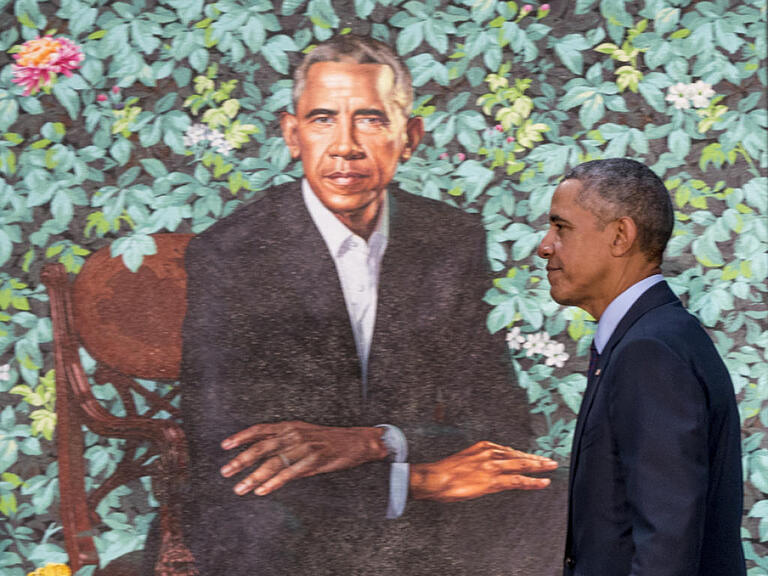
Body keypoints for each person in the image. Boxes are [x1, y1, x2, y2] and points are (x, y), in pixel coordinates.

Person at [178, 35, 566, 576]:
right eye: (321, 119)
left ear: (408, 137)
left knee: (559, 493)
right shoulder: (232, 254)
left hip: (412, 506)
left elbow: (499, 422)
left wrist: (378, 442)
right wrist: (418, 479)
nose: (345, 145)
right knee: (257, 522)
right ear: (293, 135)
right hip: (286, 509)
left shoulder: (449, 240)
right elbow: (234, 454)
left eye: (370, 119)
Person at [536, 158, 745, 576]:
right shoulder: (653, 336)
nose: (545, 245)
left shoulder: (649, 350)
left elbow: (666, 544)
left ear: (620, 236)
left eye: (562, 227)